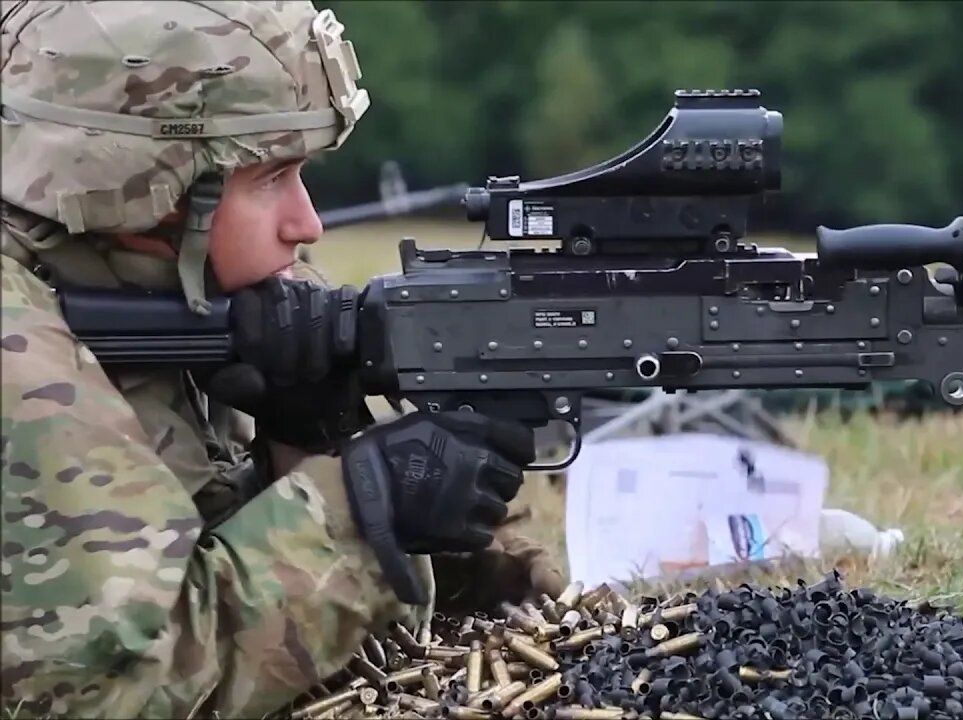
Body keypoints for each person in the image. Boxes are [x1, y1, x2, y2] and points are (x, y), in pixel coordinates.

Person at [0, 1, 565, 717]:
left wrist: (307, 443)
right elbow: (105, 694)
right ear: (143, 188)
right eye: (270, 178)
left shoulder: (188, 293)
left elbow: (342, 664)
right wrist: (358, 511)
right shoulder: (20, 352)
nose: (308, 223)